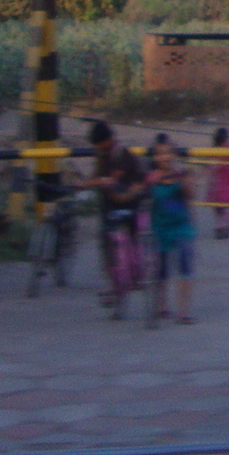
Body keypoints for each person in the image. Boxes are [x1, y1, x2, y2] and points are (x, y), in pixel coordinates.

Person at [81, 121, 149, 313]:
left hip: (129, 203)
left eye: (101, 143)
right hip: (109, 205)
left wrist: (89, 184)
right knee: (107, 243)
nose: (99, 147)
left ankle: (134, 275)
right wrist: (88, 182)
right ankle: (114, 284)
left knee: (131, 240)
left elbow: (112, 179)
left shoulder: (122, 155)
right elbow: (97, 176)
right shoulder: (101, 156)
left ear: (109, 139)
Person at [147, 141, 199, 324]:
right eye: (160, 154)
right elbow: (143, 198)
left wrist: (185, 181)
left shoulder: (181, 175)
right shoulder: (151, 178)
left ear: (174, 156)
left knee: (185, 266)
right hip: (160, 227)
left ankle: (183, 312)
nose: (165, 157)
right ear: (155, 158)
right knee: (161, 269)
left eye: (168, 153)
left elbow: (190, 195)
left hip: (181, 226)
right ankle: (162, 306)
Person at [208, 127, 229, 240]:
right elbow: (210, 166)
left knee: (227, 203)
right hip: (218, 180)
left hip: (227, 180)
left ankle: (224, 224)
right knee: (218, 205)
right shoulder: (214, 150)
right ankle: (222, 224)